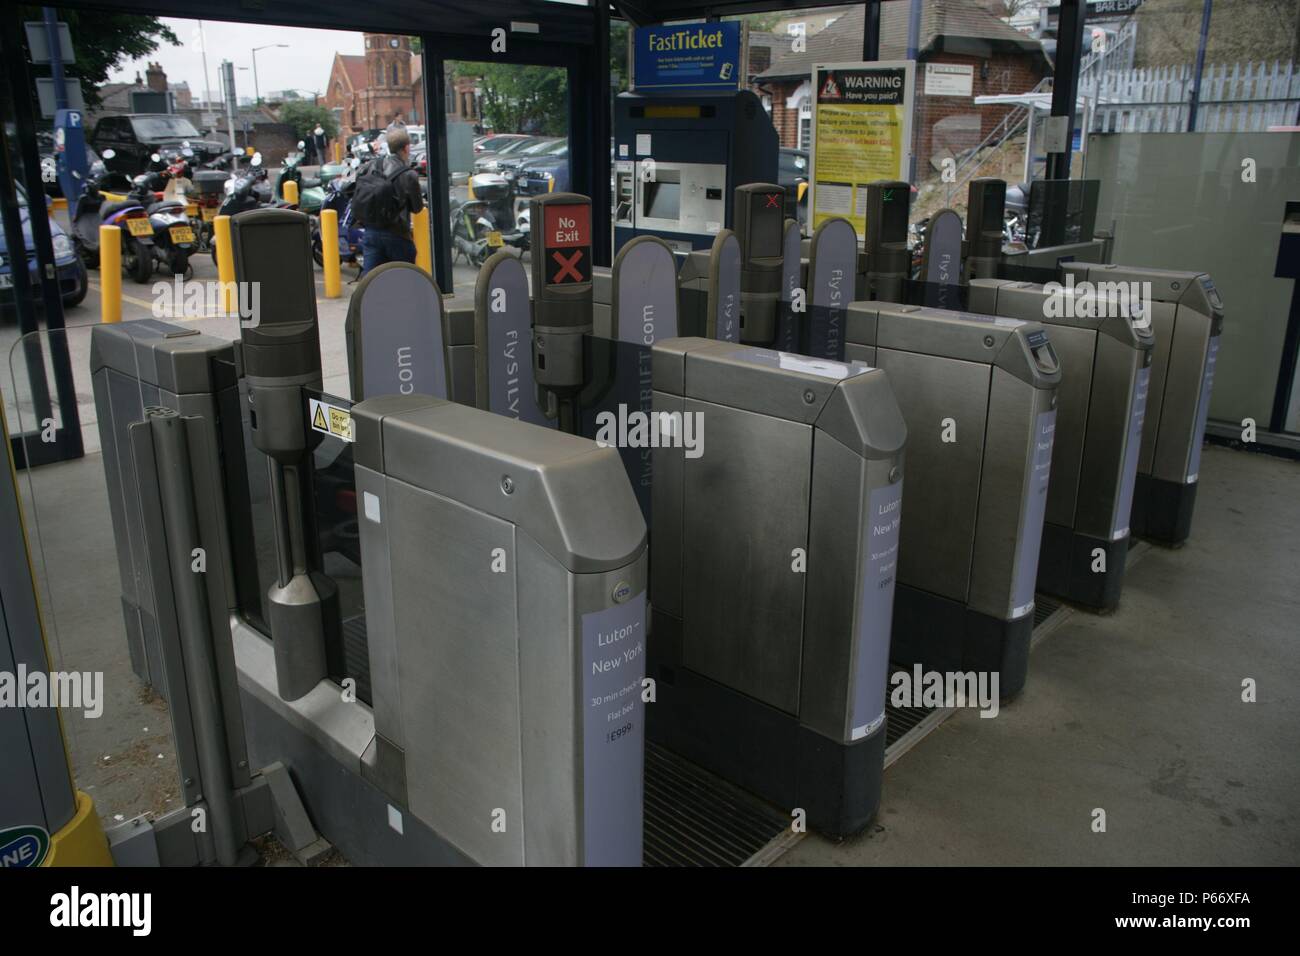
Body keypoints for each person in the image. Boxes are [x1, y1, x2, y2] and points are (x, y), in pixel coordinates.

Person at [355, 124, 424, 276]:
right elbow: (417, 208)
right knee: (405, 279)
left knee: (371, 281)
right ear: (406, 148)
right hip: (397, 234)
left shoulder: (373, 165)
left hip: (371, 232)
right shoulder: (408, 174)